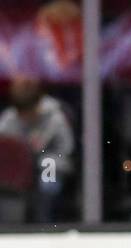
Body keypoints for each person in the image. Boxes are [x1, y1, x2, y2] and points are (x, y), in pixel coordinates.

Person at [0, 74, 75, 223]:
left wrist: (40, 156)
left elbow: (66, 149)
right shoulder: (9, 118)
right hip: (19, 167)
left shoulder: (55, 117)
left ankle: (45, 222)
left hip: (50, 163)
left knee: (48, 175)